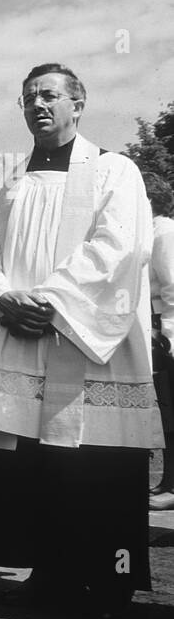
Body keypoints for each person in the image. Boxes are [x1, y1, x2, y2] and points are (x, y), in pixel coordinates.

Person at [0, 63, 161, 616]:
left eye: (49, 95)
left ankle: (109, 583)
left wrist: (49, 302)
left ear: (79, 103)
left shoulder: (115, 171)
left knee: (96, 464)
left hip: (92, 349)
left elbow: (117, 247)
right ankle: (48, 576)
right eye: (27, 98)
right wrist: (1, 297)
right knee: (33, 465)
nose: (37, 106)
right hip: (21, 340)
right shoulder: (6, 181)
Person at [147, 172, 174, 496]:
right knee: (166, 412)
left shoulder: (164, 232)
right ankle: (168, 482)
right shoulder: (151, 232)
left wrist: (166, 335)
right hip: (153, 328)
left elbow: (172, 288)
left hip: (163, 331)